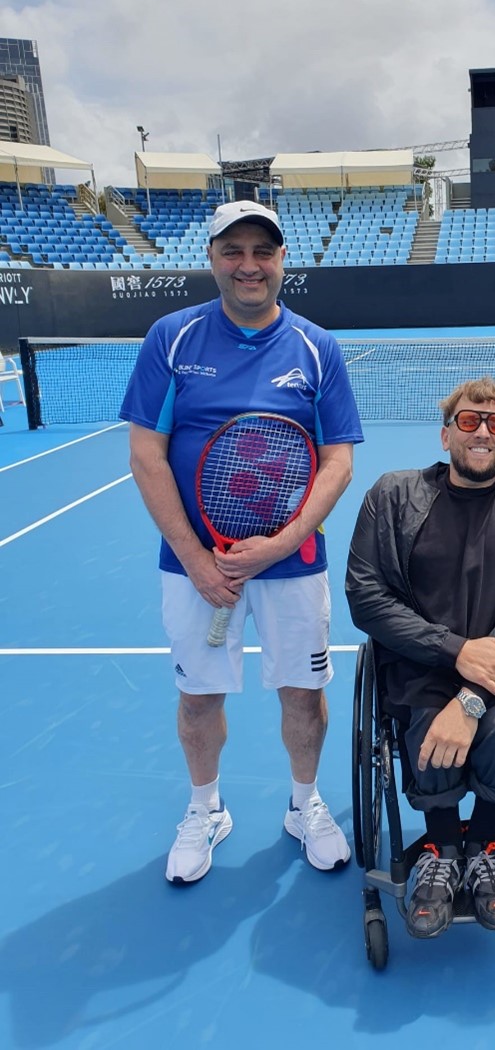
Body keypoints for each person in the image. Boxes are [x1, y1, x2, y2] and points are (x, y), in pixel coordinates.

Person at [120, 200, 363, 884]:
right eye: (234, 251)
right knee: (199, 698)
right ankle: (206, 810)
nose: (249, 265)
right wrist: (198, 560)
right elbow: (147, 456)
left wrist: (280, 544)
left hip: (293, 564)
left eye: (263, 251)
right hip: (196, 567)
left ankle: (303, 804)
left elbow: (338, 460)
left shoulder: (317, 347)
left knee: (301, 692)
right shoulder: (171, 338)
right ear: (213, 258)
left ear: (283, 260)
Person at [346, 377, 495, 938]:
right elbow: (365, 598)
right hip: (419, 664)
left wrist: (469, 698)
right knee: (425, 733)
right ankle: (444, 849)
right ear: (446, 434)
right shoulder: (392, 496)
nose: (482, 432)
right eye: (469, 422)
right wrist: (454, 651)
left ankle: (484, 846)